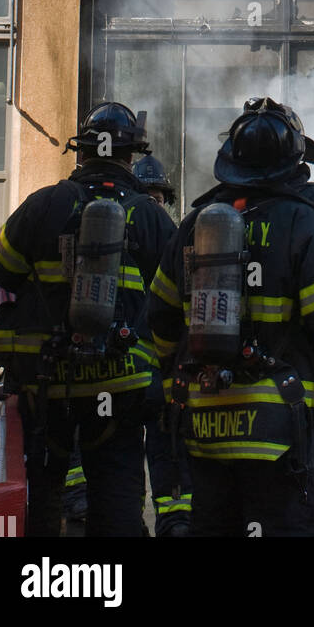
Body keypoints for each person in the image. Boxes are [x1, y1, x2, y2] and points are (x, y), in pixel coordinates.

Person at [148, 100, 314, 537]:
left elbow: (160, 316)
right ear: (295, 162)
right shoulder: (305, 223)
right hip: (280, 422)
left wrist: (173, 379)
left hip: (204, 417)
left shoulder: (195, 225)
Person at [0, 102, 173, 537]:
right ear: (131, 156)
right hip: (120, 388)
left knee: (44, 495)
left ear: (81, 152)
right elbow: (174, 298)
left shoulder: (44, 204)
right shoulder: (149, 216)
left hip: (49, 384)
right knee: (118, 497)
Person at [131, 154, 192, 537]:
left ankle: (122, 517)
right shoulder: (165, 228)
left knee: (119, 449)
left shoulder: (106, 222)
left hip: (112, 360)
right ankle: (174, 520)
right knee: (165, 439)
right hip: (153, 357)